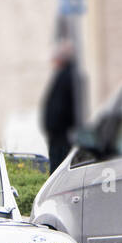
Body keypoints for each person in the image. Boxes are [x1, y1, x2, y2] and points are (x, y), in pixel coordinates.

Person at [41, 40, 77, 171]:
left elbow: (61, 108)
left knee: (59, 170)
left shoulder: (67, 76)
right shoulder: (64, 75)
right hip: (58, 137)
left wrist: (55, 127)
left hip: (62, 137)